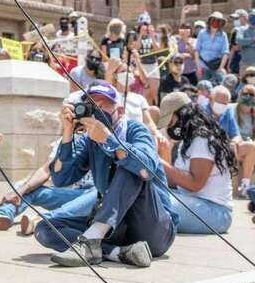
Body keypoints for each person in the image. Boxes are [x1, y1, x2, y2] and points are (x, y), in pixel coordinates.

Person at [43, 83, 179, 268]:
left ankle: (92, 239)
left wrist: (109, 140)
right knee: (46, 228)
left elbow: (145, 169)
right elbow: (60, 179)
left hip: (154, 228)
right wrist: (67, 132)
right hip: (117, 231)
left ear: (120, 110)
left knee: (129, 164)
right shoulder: (88, 139)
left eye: (104, 105)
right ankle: (116, 252)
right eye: (92, 106)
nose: (98, 111)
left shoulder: (136, 130)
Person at [155, 93, 236, 234]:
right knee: (149, 194)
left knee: (153, 201)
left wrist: (157, 162)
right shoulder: (188, 141)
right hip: (196, 204)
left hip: (215, 213)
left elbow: (195, 184)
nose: (169, 127)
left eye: (170, 121)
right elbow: (178, 183)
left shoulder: (203, 139)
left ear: (182, 114)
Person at [233, 83, 255, 198]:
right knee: (251, 148)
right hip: (234, 144)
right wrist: (245, 144)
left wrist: (254, 145)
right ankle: (245, 185)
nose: (248, 96)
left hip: (250, 147)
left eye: (251, 94)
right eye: (245, 94)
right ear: (240, 95)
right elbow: (231, 133)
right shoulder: (233, 109)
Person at [194, 11, 229, 85]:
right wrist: (198, 67)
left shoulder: (223, 35)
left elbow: (225, 53)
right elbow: (197, 50)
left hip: (216, 66)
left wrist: (220, 68)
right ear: (210, 21)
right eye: (214, 20)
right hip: (203, 65)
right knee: (202, 87)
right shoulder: (202, 33)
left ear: (221, 23)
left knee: (220, 86)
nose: (215, 22)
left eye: (218, 20)